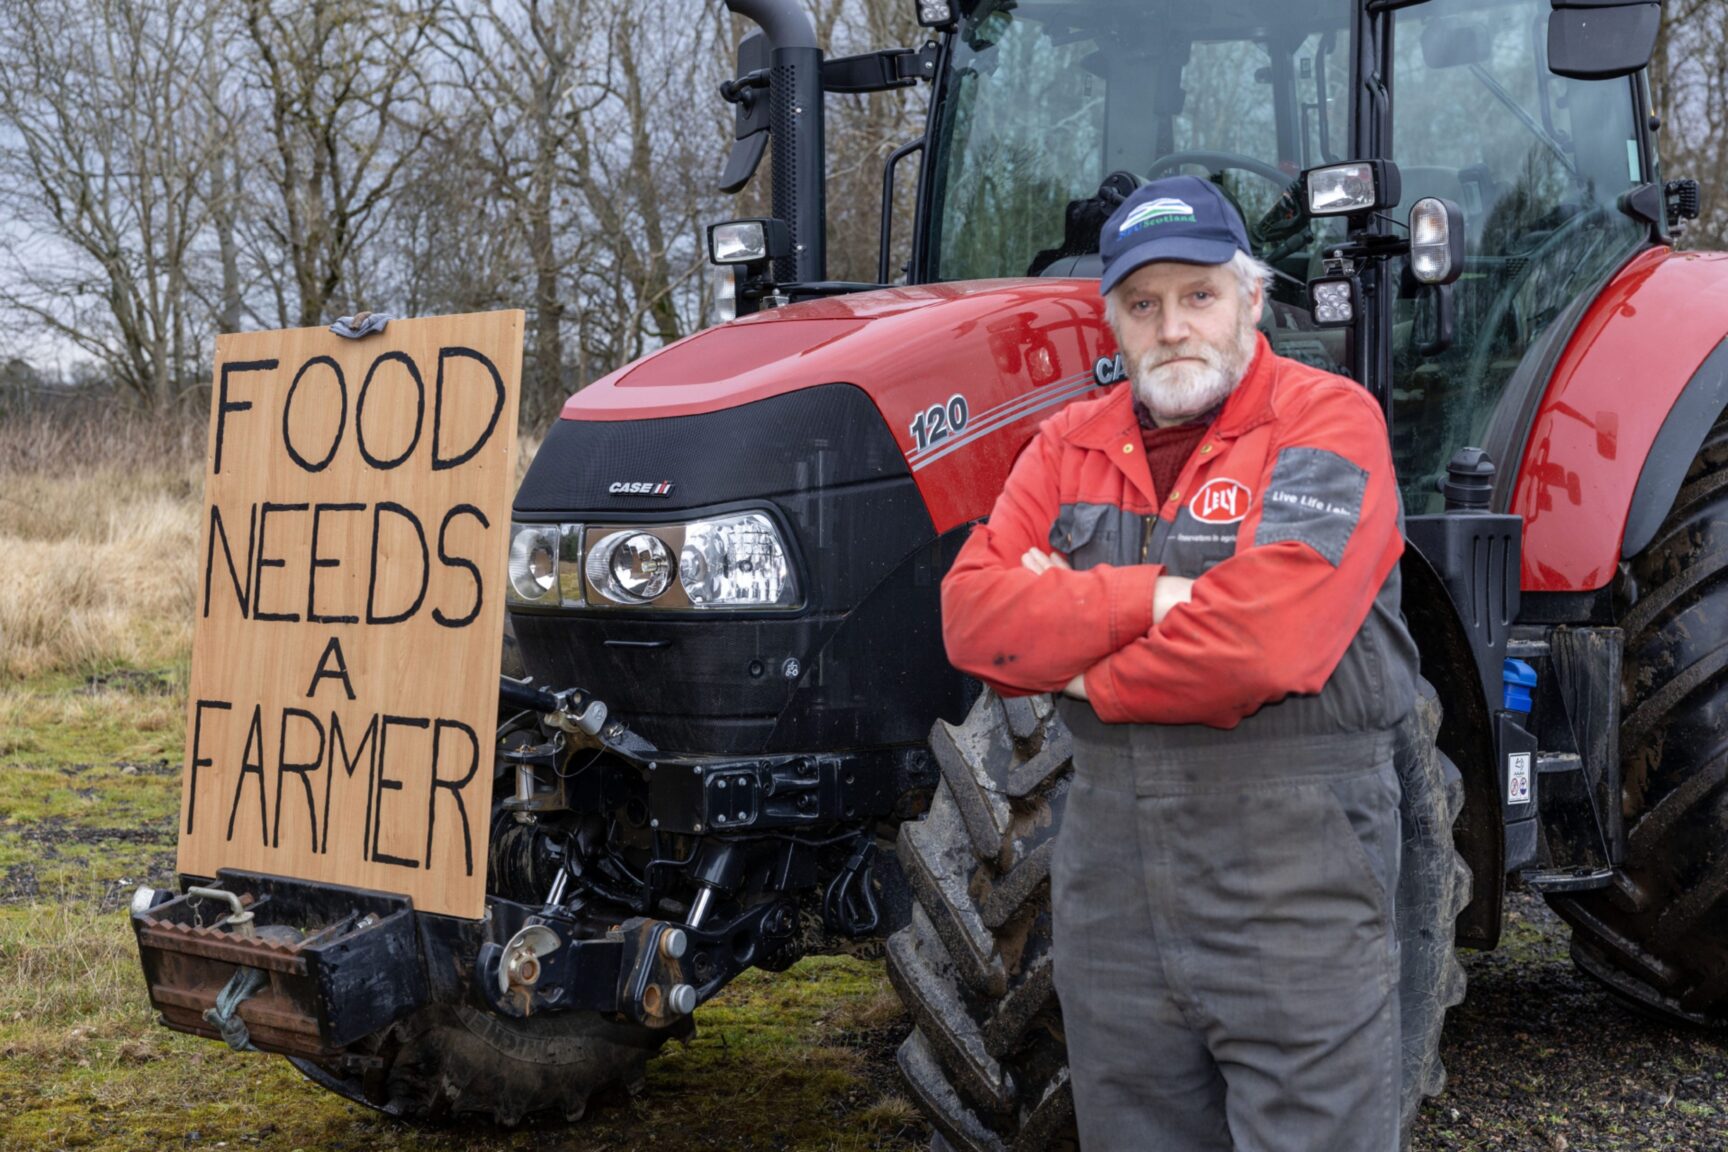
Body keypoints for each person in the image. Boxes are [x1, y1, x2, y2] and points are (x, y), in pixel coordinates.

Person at [940, 175, 1419, 1151]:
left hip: (1295, 873)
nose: (1172, 327)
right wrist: (1151, 600)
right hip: (1110, 883)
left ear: (1252, 299)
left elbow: (1267, 642)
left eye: (1199, 295)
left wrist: (1078, 670)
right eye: (1142, 304)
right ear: (1112, 322)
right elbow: (972, 620)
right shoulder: (1066, 444)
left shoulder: (1328, 424)